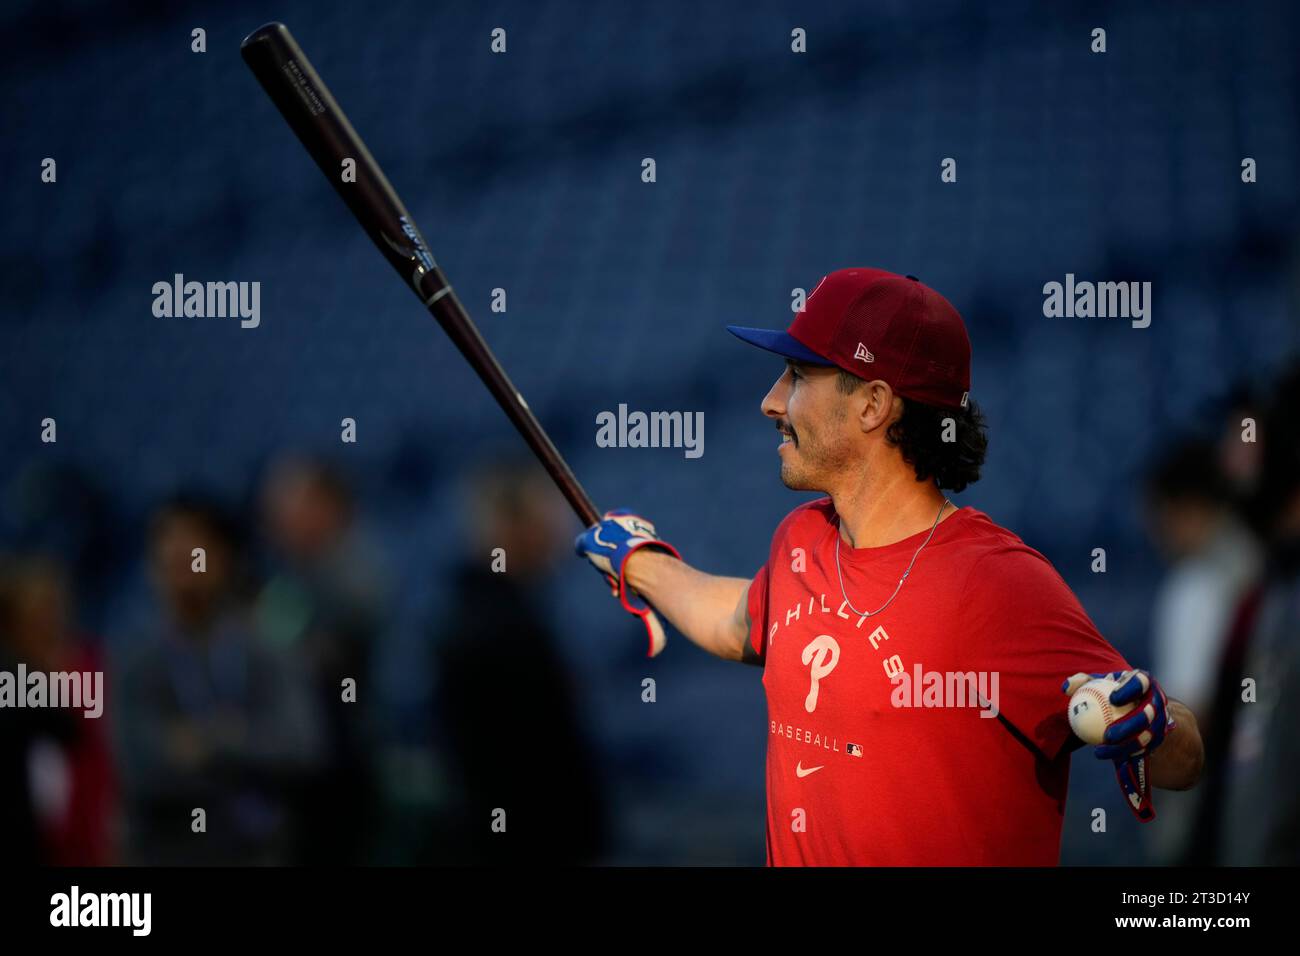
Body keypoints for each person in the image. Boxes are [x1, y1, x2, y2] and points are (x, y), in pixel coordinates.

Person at [575, 267, 1204, 866]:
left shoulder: (998, 583)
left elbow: (1181, 757)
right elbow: (743, 622)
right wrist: (641, 562)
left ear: (874, 404)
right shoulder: (802, 538)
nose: (770, 402)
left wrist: (1153, 724)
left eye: (796, 375)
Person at [115, 497, 321, 865]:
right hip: (165, 854)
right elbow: (141, 771)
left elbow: (300, 748)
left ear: (223, 558)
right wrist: (243, 746)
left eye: (191, 548)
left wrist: (209, 743)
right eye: (166, 552)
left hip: (254, 854)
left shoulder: (266, 649)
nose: (178, 562)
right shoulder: (134, 660)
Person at [429, 455, 607, 864]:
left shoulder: (501, 612)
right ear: (509, 526)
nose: (559, 531)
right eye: (545, 515)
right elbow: (528, 764)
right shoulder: (495, 625)